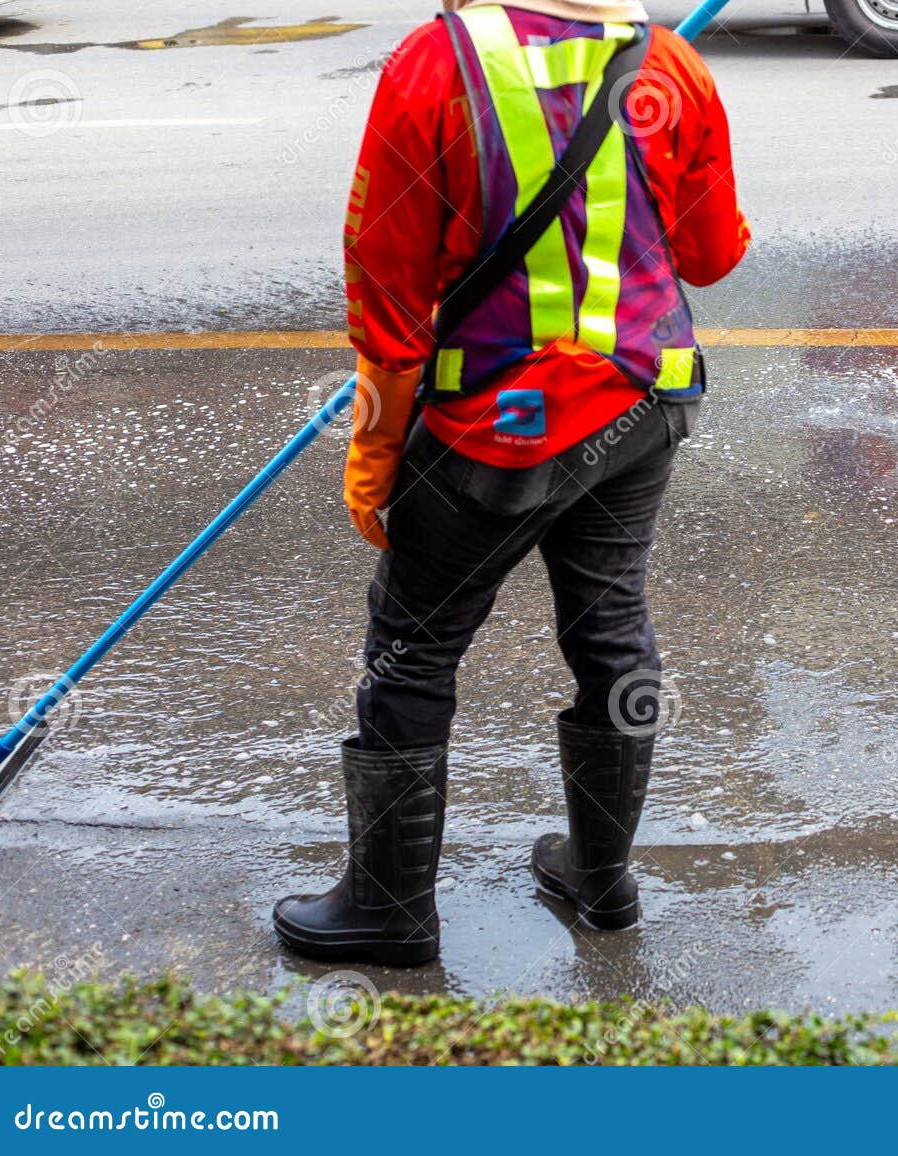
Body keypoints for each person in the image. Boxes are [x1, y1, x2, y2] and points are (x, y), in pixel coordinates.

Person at [273, 0, 750, 966]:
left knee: (413, 646)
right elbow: (712, 252)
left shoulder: (436, 61)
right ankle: (602, 879)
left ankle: (388, 909)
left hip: (495, 426)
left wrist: (372, 453)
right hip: (640, 404)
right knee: (612, 627)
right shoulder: (671, 65)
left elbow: (387, 288)